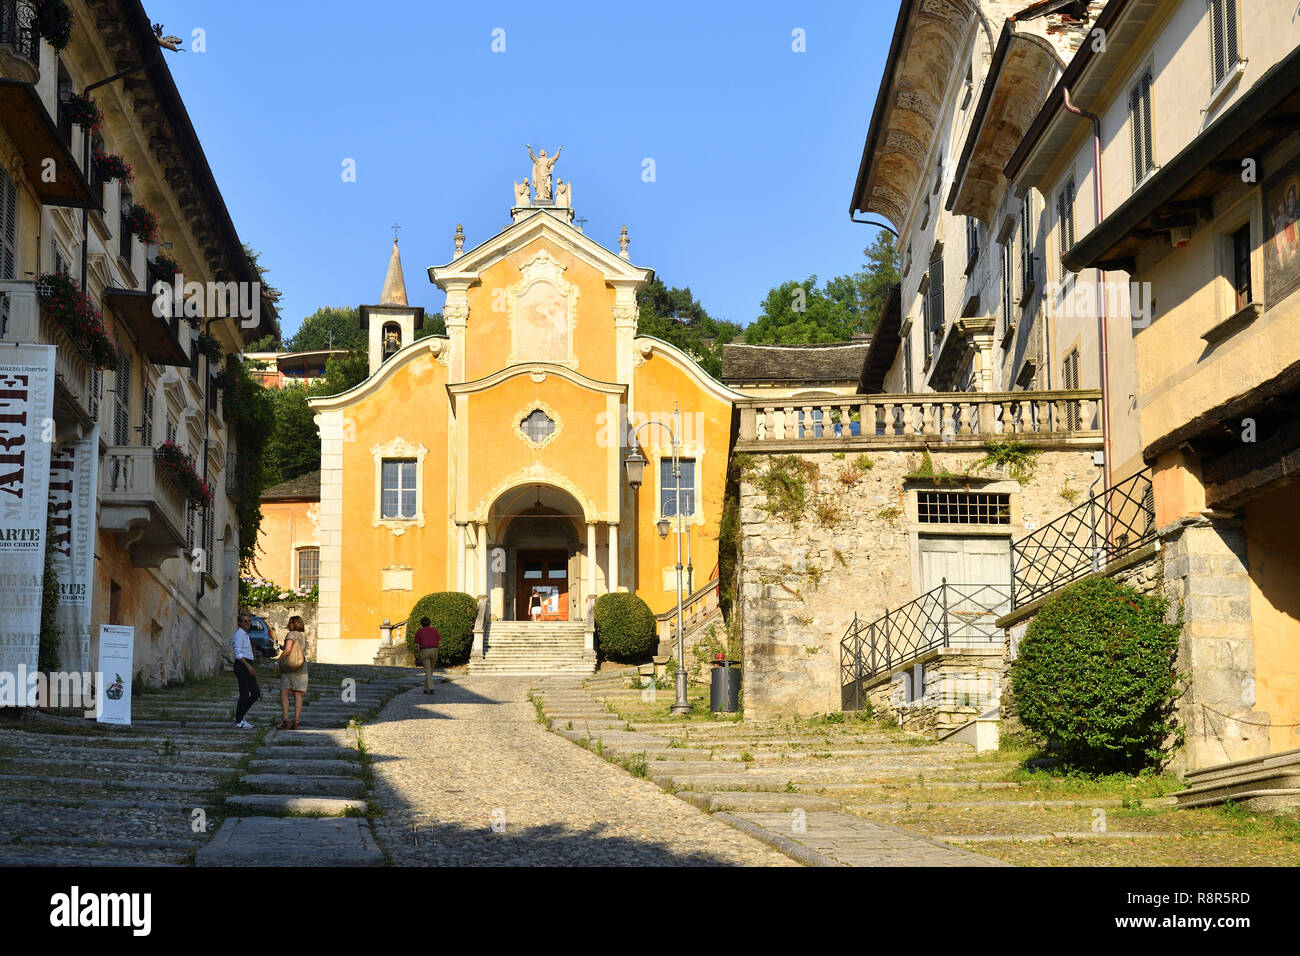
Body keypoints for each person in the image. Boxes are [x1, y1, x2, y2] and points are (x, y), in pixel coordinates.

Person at [276, 615, 310, 729]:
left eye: (290, 623)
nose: (288, 625)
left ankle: (285, 719)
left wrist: (277, 661)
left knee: (284, 692)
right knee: (298, 693)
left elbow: (289, 649)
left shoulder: (290, 634)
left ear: (293, 624)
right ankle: (296, 720)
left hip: (289, 668)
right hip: (301, 667)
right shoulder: (302, 636)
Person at [232, 611, 260, 728]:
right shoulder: (239, 635)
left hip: (248, 663)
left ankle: (240, 715)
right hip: (242, 664)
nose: (248, 623)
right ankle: (239, 721)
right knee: (244, 693)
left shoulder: (245, 634)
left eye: (249, 621)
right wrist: (248, 666)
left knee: (255, 693)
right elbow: (238, 653)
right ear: (239, 623)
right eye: (245, 621)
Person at [414, 616, 441, 694]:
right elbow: (439, 642)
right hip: (434, 650)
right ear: (430, 623)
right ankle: (426, 689)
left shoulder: (420, 631)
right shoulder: (434, 630)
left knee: (428, 671)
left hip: (425, 650)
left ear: (421, 624)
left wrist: (419, 654)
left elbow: (417, 645)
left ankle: (431, 688)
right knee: (430, 671)